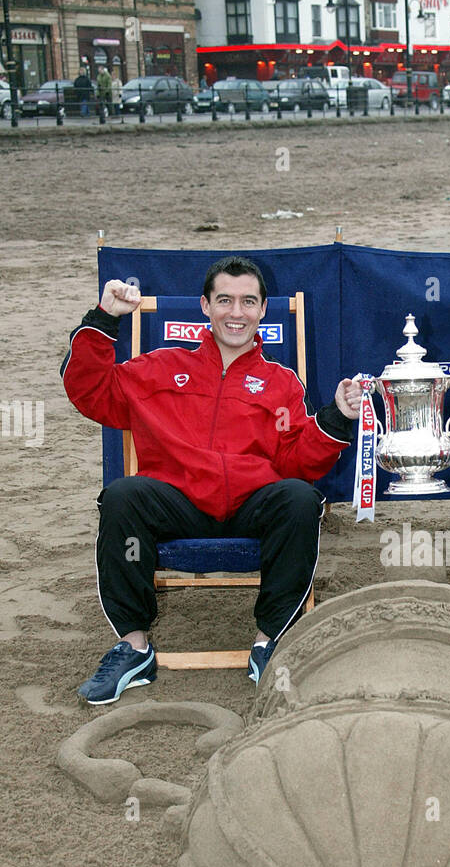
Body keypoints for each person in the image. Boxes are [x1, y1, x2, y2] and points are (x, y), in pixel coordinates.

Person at [61, 256, 364, 703]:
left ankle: (269, 642)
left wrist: (337, 418)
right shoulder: (159, 368)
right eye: (224, 300)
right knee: (124, 494)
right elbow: (89, 392)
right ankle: (134, 647)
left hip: (250, 506)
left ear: (263, 310)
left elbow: (296, 461)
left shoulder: (281, 383)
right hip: (176, 503)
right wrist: (103, 319)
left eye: (247, 302)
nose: (236, 313)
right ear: (205, 305)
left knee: (299, 497)